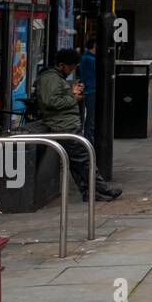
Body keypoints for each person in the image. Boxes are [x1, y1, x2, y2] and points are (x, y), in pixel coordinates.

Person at [30, 49, 121, 202]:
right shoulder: (51, 79)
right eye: (70, 67)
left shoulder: (55, 77)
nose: (72, 70)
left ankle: (90, 192)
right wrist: (73, 98)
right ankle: (102, 189)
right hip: (64, 125)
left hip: (66, 124)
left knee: (77, 162)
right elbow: (51, 102)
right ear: (61, 65)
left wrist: (72, 93)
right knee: (85, 159)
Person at [78, 37, 97, 143]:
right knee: (91, 119)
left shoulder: (87, 57)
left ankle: (89, 139)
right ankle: (89, 140)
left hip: (90, 89)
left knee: (91, 118)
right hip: (91, 90)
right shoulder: (90, 59)